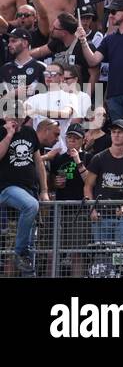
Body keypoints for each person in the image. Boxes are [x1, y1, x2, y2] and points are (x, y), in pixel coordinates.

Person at [0, 116, 58, 274]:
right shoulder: (2, 132)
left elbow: (38, 162)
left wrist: (44, 190)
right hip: (7, 188)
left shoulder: (29, 132)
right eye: (13, 114)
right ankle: (20, 252)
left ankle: (27, 268)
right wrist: (9, 134)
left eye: (19, 114)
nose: (16, 118)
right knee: (31, 206)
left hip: (29, 191)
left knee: (31, 243)